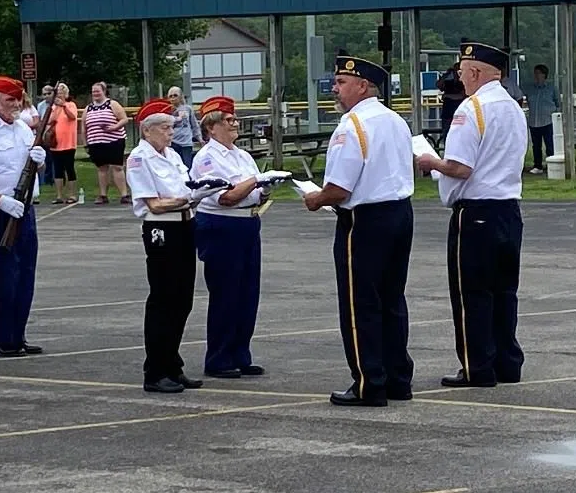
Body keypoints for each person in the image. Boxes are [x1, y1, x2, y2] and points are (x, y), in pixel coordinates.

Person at [302, 54, 416, 407]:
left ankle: (369, 382)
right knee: (392, 299)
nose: (335, 90)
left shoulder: (351, 126)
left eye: (341, 83)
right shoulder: (395, 120)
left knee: (360, 303)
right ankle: (398, 378)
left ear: (362, 85)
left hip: (365, 220)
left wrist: (315, 198)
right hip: (399, 213)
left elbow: (339, 189)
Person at [417, 42, 528, 388]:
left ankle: (477, 365)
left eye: (462, 72)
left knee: (472, 294)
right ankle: (507, 363)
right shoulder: (512, 107)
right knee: (504, 292)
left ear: (476, 72)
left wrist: (430, 161)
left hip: (477, 210)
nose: (460, 78)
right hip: (508, 208)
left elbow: (460, 167)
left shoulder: (472, 108)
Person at [126, 99, 224, 394]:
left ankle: (172, 365)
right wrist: (188, 198)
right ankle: (155, 370)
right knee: (164, 298)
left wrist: (199, 192)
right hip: (162, 227)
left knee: (182, 298)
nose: (171, 132)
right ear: (148, 130)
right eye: (165, 127)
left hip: (184, 224)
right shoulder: (139, 159)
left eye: (172, 127)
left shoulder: (171, 156)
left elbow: (186, 186)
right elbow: (153, 203)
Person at [190, 95, 289, 379]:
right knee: (225, 293)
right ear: (212, 127)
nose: (235, 124)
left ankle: (240, 353)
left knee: (247, 293)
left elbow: (254, 192)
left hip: (248, 223)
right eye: (229, 120)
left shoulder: (241, 155)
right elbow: (226, 197)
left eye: (235, 119)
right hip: (222, 225)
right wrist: (255, 181)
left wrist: (266, 186)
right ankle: (219, 357)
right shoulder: (206, 158)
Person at [0, 75, 47, 357]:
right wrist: (0, 200)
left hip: (25, 209)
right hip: (0, 210)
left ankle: (18, 335)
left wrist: (41, 162)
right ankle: (1, 338)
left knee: (26, 274)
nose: (15, 104)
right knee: (4, 275)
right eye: (9, 100)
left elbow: (34, 171)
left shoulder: (22, 129)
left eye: (18, 99)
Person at [84, 82, 131, 204]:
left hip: (114, 140)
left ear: (104, 91)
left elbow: (124, 119)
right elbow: (84, 127)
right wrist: (86, 143)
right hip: (95, 142)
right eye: (93, 91)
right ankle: (103, 195)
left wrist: (114, 127)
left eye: (98, 91)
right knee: (101, 167)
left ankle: (124, 195)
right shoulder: (88, 108)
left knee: (117, 166)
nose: (95, 93)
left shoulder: (112, 104)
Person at [521, 64, 561, 174]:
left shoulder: (551, 89)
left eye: (538, 73)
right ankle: (538, 166)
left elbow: (558, 103)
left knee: (549, 144)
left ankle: (552, 165)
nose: (536, 75)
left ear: (544, 75)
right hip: (534, 121)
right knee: (536, 146)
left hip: (548, 121)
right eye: (535, 73)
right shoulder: (530, 89)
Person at [45, 83, 79, 204]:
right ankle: (59, 195)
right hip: (56, 143)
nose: (59, 95)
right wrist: (56, 108)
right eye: (58, 93)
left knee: (69, 168)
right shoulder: (54, 107)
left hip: (69, 143)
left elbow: (72, 117)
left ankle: (72, 194)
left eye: (62, 92)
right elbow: (49, 121)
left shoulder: (71, 105)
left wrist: (63, 105)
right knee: (58, 169)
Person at [167, 86, 201, 169]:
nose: (173, 98)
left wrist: (200, 138)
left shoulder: (188, 108)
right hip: (173, 142)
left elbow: (194, 125)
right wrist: (177, 118)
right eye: (170, 96)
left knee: (187, 166)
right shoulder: (167, 110)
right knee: (175, 166)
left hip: (186, 142)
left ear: (181, 96)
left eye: (175, 95)